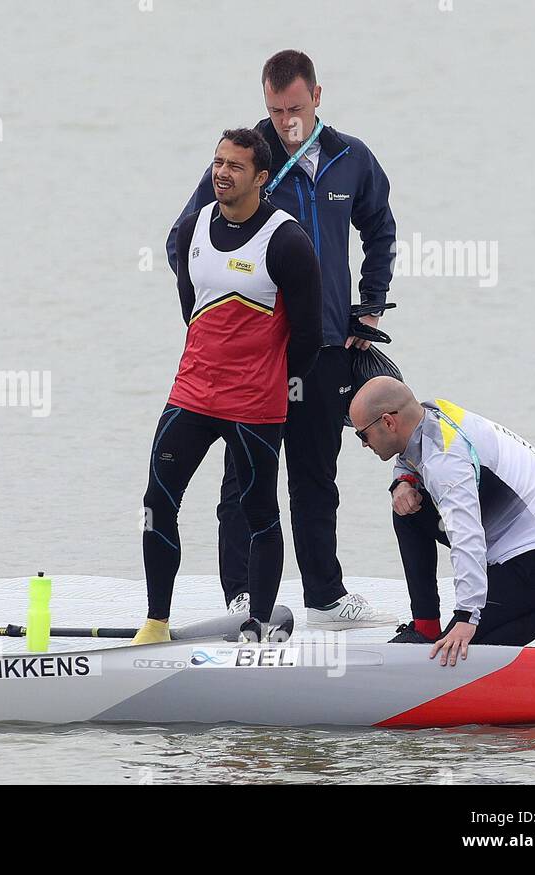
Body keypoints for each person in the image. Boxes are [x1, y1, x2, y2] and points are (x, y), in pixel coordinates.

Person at [166, 50, 397, 630]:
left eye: (295, 108)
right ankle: (242, 595)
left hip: (325, 347)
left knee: (317, 475)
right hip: (258, 358)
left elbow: (381, 229)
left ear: (318, 96)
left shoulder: (351, 159)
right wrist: (206, 319)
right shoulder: (250, 163)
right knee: (245, 478)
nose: (286, 122)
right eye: (274, 109)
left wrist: (368, 310)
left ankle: (325, 594)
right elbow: (184, 239)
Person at [133, 127, 321, 645]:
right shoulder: (193, 228)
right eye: (218, 162)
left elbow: (307, 337)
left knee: (258, 511)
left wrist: (273, 382)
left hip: (255, 406)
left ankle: (258, 626)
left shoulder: (286, 240)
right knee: (157, 501)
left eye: (235, 166)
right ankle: (156, 622)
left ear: (261, 177)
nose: (222, 173)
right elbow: (190, 308)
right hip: (191, 395)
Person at [350, 377, 535, 665]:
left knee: (456, 657)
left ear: (388, 422)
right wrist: (402, 480)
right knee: (406, 506)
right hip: (519, 537)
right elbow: (410, 458)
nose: (364, 444)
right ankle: (425, 627)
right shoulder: (429, 414)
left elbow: (467, 537)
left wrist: (466, 616)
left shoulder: (446, 464)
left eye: (363, 435)